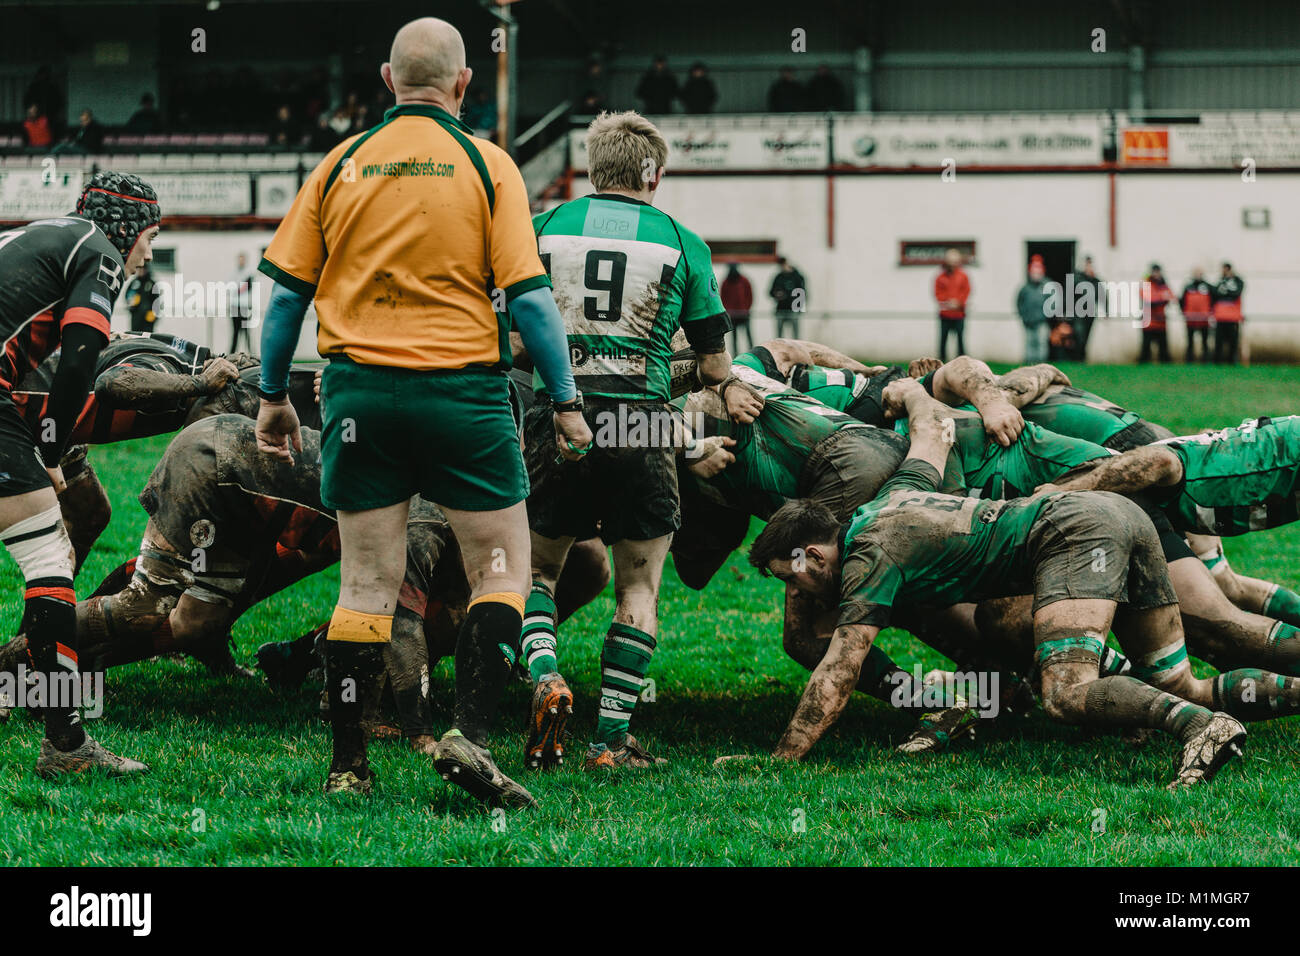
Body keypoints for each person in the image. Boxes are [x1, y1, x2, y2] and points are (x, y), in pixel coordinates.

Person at [253, 17, 591, 807]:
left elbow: (284, 299)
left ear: (386, 79)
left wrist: (273, 398)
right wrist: (567, 403)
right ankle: (468, 736)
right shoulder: (488, 165)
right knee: (501, 571)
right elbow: (533, 303)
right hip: (463, 396)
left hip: (360, 395)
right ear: (464, 84)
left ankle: (346, 766)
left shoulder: (339, 164)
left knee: (365, 585)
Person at [744, 378, 1285, 790]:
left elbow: (839, 668)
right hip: (1122, 515)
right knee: (1174, 681)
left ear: (812, 554)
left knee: (1067, 693)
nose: (804, 594)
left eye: (794, 579)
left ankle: (1201, 728)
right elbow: (933, 432)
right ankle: (1200, 711)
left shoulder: (867, 557)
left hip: (1073, 532)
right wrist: (910, 392)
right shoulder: (893, 496)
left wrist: (781, 758)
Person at [526, 111, 732, 771]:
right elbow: (715, 365)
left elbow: (507, 341)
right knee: (637, 588)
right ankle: (611, 742)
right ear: (656, 174)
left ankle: (545, 677)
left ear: (590, 166)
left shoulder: (542, 229)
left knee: (533, 572)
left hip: (561, 413)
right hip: (641, 419)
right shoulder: (680, 239)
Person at [0, 170, 159, 777]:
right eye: (149, 236)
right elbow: (80, 364)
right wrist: (49, 450)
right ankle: (65, 746)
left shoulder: (43, 234)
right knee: (49, 561)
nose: (145, 253)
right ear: (130, 228)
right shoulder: (99, 249)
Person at [933, 248, 969, 362]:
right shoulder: (940, 277)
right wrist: (948, 302)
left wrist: (958, 302)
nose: (953, 265)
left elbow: (966, 291)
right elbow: (938, 293)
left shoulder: (963, 276)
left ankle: (962, 362)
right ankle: (941, 362)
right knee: (943, 341)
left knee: (960, 341)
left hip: (959, 314)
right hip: (945, 314)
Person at [1015, 255, 1051, 365]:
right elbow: (1019, 303)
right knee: (1029, 343)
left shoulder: (1047, 287)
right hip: (1028, 322)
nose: (1036, 274)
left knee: (1041, 343)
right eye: (1034, 271)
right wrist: (1023, 316)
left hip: (1041, 321)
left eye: (1038, 271)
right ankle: (1030, 365)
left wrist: (1046, 316)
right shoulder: (1025, 288)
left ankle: (1041, 365)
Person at [1069, 256, 1104, 361]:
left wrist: (1106, 310)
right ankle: (1076, 358)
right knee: (1079, 337)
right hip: (1078, 314)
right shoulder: (1077, 278)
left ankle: (1082, 359)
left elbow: (1102, 295)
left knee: (1086, 338)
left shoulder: (1096, 281)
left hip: (1090, 314)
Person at [1138, 263, 1173, 364]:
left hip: (1161, 322)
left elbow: (1170, 297)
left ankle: (1165, 365)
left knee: (1163, 348)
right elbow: (1148, 300)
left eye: (1158, 272)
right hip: (1149, 322)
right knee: (1146, 347)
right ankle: (1144, 364)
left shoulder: (1163, 285)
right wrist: (1161, 300)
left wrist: (1159, 300)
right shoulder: (1146, 284)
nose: (1157, 274)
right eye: (1155, 272)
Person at [1212, 262, 1245, 364]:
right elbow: (1215, 293)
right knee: (1219, 342)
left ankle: (1232, 361)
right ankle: (1217, 362)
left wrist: (1224, 291)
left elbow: (1236, 293)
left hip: (1232, 317)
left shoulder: (1238, 281)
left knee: (1233, 342)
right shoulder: (1220, 281)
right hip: (1220, 317)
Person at [1180, 266, 1213, 363]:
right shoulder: (1188, 287)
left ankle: (1205, 361)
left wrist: (1210, 312)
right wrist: (1184, 312)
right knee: (1190, 342)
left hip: (1204, 319)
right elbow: (1182, 301)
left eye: (1199, 273)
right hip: (1191, 319)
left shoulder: (1207, 287)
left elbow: (1213, 299)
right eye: (1196, 273)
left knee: (1205, 342)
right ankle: (1189, 360)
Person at [720, 263, 753, 353]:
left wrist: (746, 308)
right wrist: (728, 310)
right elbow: (723, 297)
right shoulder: (726, 282)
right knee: (734, 338)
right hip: (733, 315)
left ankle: (752, 352)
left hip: (744, 314)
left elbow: (749, 295)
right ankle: (735, 354)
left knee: (748, 335)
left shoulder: (744, 281)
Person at [769, 257, 805, 339]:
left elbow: (802, 293)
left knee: (795, 336)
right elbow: (770, 292)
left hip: (794, 309)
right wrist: (777, 294)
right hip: (781, 309)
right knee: (779, 336)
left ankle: (796, 351)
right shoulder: (778, 277)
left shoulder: (797, 277)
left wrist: (800, 308)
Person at [227, 252, 255, 353]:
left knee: (246, 333)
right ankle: (231, 354)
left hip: (244, 306)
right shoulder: (234, 273)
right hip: (235, 306)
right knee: (235, 333)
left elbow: (247, 287)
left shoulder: (249, 273)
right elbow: (229, 288)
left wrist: (238, 288)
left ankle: (251, 354)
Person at [126, 263, 159, 333]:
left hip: (147, 319)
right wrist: (131, 302)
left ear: (147, 270)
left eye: (142, 269)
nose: (140, 271)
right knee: (135, 336)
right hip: (136, 317)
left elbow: (157, 301)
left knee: (147, 338)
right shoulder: (134, 283)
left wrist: (154, 315)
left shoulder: (151, 283)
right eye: (139, 269)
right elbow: (127, 296)